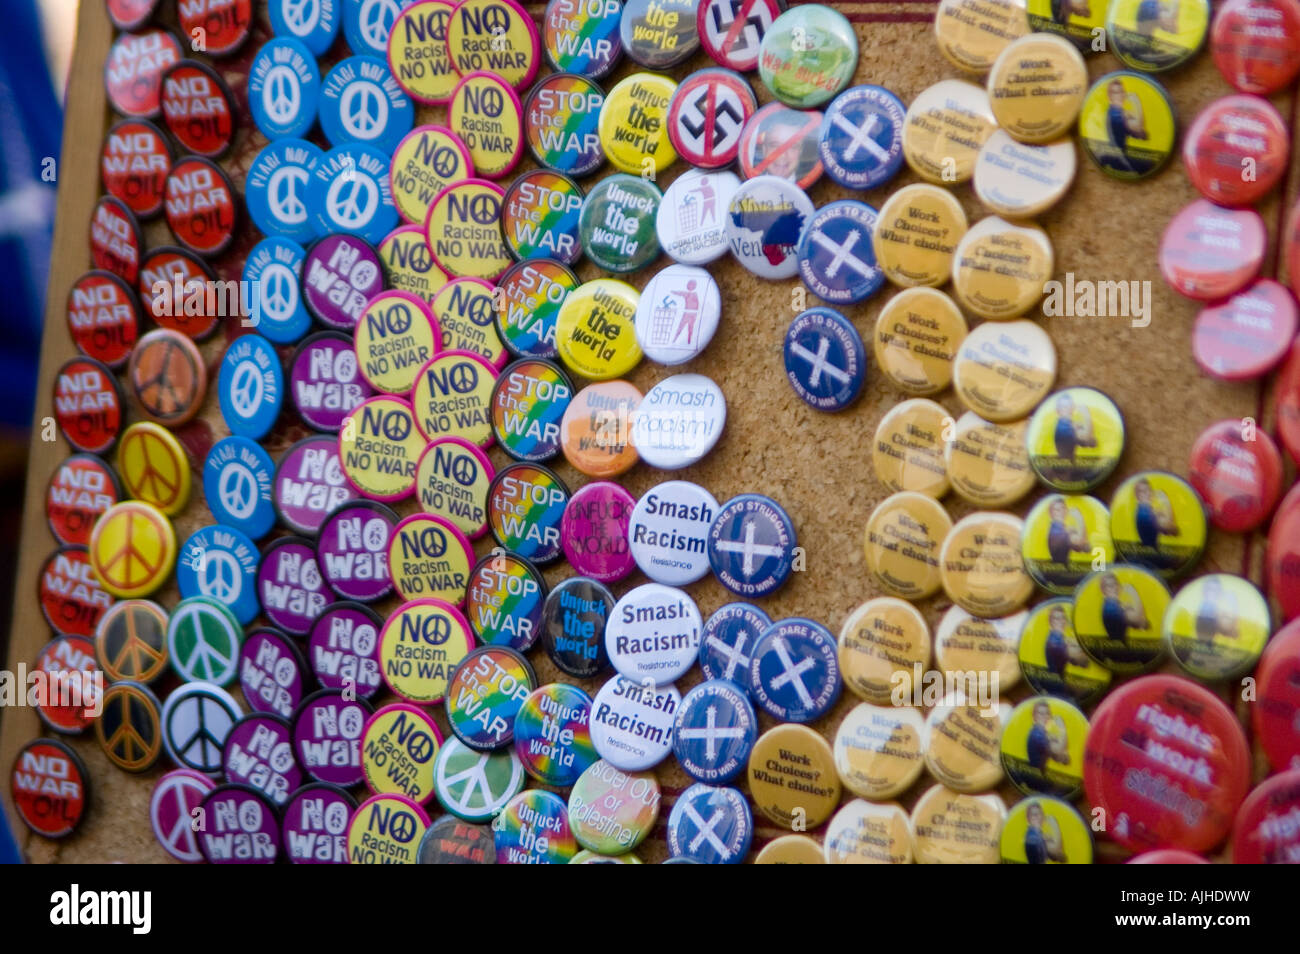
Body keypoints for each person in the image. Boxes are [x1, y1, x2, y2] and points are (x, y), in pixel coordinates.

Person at [1042, 604, 1092, 676]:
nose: (1061, 621)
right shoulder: (1055, 643)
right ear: (1050, 621)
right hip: (1058, 682)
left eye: (1063, 618)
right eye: (1056, 618)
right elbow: (1084, 662)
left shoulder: (1057, 638)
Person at [1100, 572, 1149, 644]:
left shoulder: (1115, 606)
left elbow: (1145, 625)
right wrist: (1134, 593)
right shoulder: (1112, 609)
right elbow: (1141, 622)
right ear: (1103, 590)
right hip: (1119, 648)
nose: (1115, 588)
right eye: (1110, 586)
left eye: (1116, 584)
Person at [1025, 699, 1071, 771]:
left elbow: (1064, 758)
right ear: (1034, 716)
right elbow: (1058, 750)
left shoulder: (1043, 733)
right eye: (1041, 713)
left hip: (1039, 773)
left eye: (1048, 713)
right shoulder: (1037, 735)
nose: (1045, 716)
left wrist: (1061, 755)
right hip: (1034, 775)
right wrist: (1062, 728)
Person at [1046, 496, 1091, 566]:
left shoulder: (1065, 529)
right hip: (1059, 570)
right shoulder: (1056, 532)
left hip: (1064, 568)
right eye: (1057, 510)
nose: (1062, 512)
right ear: (1051, 514)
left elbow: (1086, 548)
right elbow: (1080, 541)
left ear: (1066, 510)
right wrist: (1079, 518)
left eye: (1063, 508)